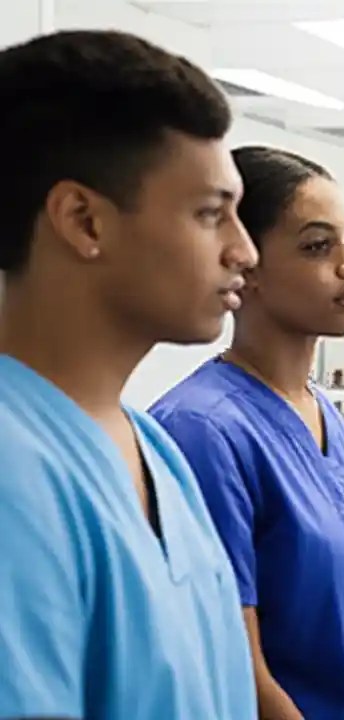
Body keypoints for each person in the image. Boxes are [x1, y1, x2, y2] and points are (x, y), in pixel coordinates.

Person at [0, 30, 257, 719]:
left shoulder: (154, 449)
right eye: (211, 215)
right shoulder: (13, 471)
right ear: (85, 220)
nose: (245, 250)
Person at [149, 146, 344, 720]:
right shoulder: (203, 430)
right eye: (318, 246)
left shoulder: (321, 413)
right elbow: (234, 660)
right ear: (245, 261)